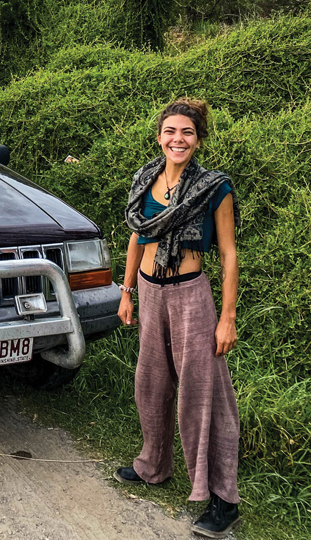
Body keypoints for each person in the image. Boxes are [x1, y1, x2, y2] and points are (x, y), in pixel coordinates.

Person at [114, 98, 243, 538]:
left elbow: (228, 254)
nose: (178, 139)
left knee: (203, 393)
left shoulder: (214, 188)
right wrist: (126, 291)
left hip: (191, 297)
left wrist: (227, 318)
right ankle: (154, 465)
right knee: (151, 384)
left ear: (198, 140)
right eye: (170, 131)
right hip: (150, 293)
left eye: (187, 132)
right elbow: (138, 237)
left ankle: (223, 499)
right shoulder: (144, 179)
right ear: (159, 137)